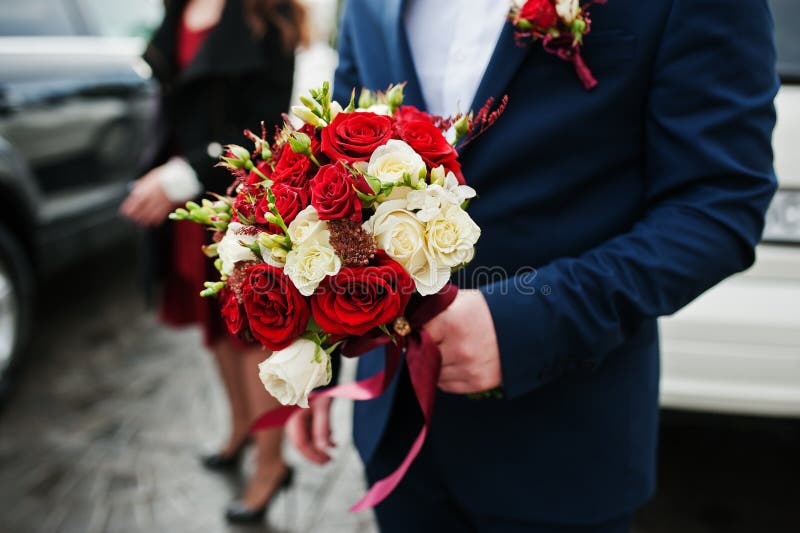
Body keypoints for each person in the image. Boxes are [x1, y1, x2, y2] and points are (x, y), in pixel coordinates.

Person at [287, 0, 778, 531]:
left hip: (562, 447)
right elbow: (337, 162)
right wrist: (313, 345)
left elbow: (719, 205)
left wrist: (529, 321)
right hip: (395, 438)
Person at [120, 0, 307, 523]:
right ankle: (241, 427)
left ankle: (270, 465)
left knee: (253, 335)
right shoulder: (178, 7)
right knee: (215, 327)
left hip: (239, 198)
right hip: (183, 199)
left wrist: (187, 170)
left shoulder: (268, 16)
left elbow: (266, 127)